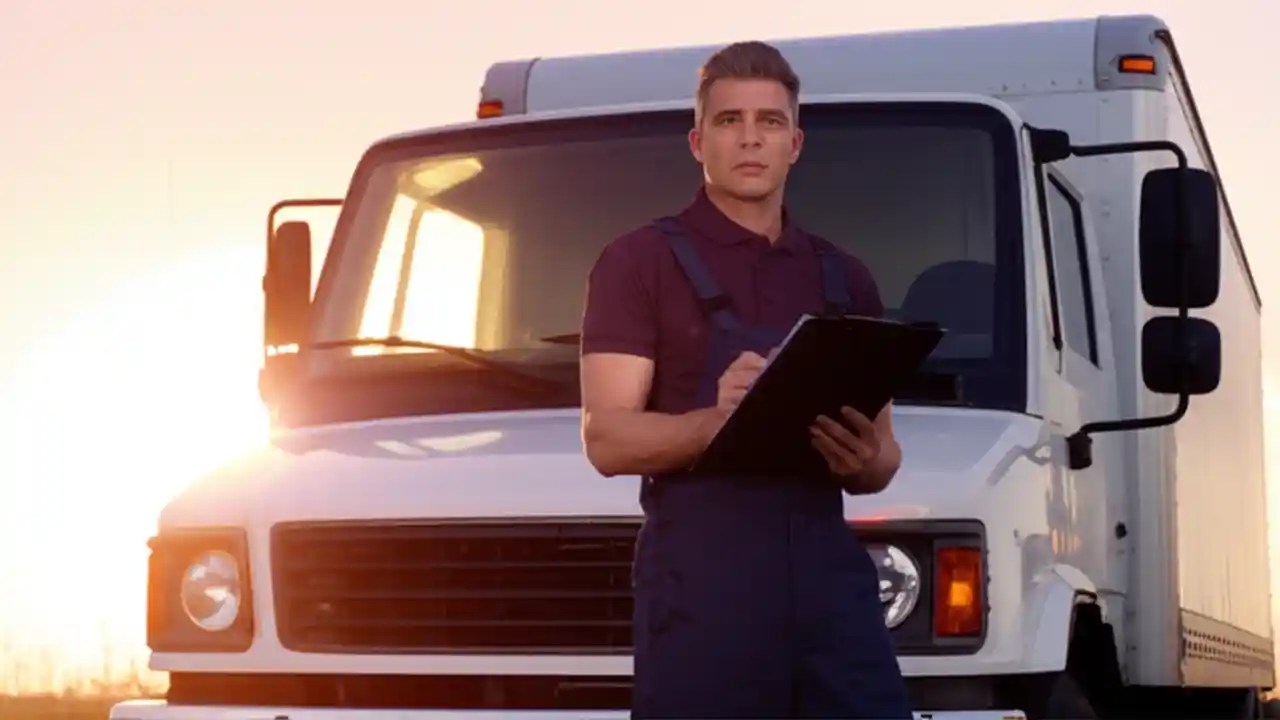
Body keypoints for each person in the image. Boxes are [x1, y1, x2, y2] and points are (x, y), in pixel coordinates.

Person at [578, 40, 913, 719]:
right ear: (698, 141)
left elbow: (883, 455)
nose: (751, 138)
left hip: (830, 590)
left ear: (797, 142)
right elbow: (607, 440)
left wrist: (865, 461)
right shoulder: (638, 263)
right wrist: (720, 420)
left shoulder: (844, 278)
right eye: (730, 121)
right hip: (704, 593)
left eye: (770, 121)